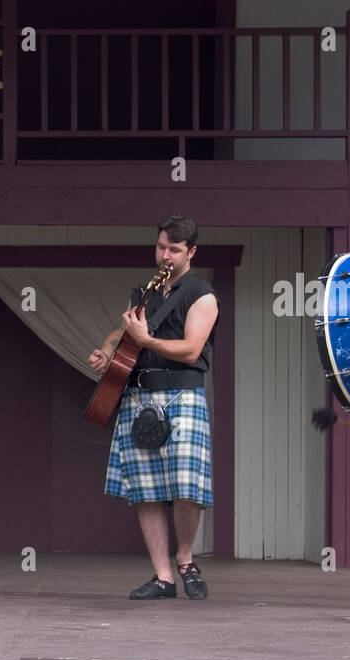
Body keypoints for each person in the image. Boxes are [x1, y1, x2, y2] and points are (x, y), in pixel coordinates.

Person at [88, 214, 219, 600]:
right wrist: (108, 351)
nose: (165, 255)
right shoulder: (144, 293)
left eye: (174, 250)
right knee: (145, 491)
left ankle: (185, 559)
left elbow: (192, 348)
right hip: (138, 396)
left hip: (182, 394)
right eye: (161, 247)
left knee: (186, 488)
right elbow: (122, 333)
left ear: (190, 252)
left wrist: (147, 341)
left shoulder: (202, 294)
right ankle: (163, 577)